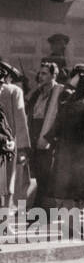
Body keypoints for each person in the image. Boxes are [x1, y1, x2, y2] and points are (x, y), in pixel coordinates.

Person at [46, 68, 84, 224]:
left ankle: (69, 225)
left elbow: (53, 132)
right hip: (81, 155)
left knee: (67, 191)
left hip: (63, 154)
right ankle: (81, 226)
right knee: (83, 190)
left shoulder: (66, 105)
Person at [26, 61, 63, 210]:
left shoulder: (60, 92)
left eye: (44, 73)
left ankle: (44, 209)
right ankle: (37, 206)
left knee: (46, 175)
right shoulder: (37, 93)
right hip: (34, 134)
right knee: (37, 174)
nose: (40, 76)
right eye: (40, 73)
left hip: (49, 137)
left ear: (54, 75)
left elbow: (61, 118)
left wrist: (50, 137)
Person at [0, 62, 29, 214]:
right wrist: (23, 148)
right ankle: (4, 223)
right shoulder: (14, 91)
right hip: (8, 143)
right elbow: (20, 119)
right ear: (9, 77)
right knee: (7, 183)